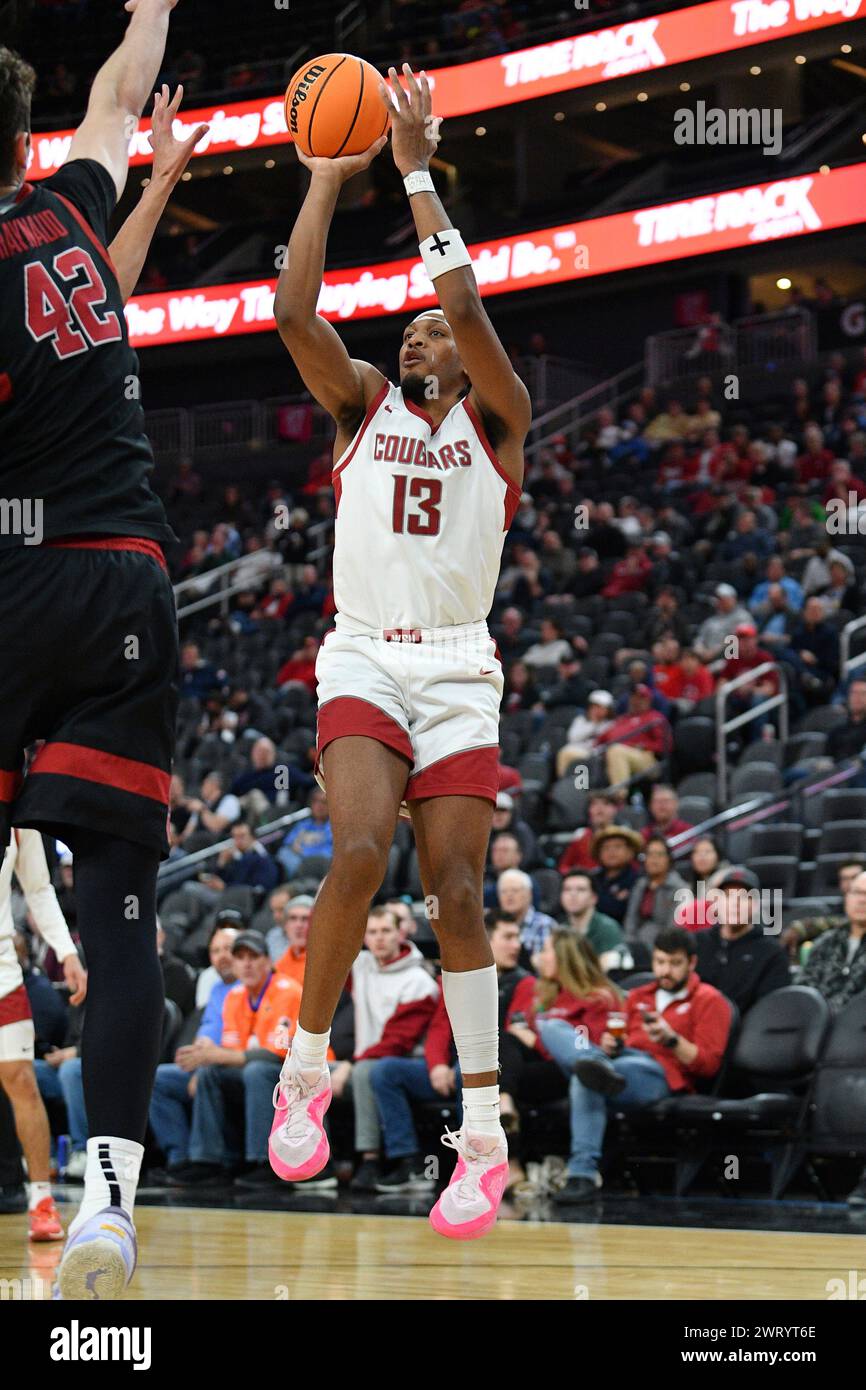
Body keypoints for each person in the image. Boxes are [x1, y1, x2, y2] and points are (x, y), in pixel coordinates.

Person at [270, 63, 532, 1242]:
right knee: (360, 853)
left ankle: (481, 1138)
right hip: (366, 656)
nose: (426, 333)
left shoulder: (501, 420)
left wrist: (418, 173)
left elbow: (471, 309)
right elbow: (292, 314)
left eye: (439, 327)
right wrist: (327, 180)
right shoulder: (360, 406)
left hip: (462, 666)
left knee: (461, 894)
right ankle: (304, 1066)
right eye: (413, 328)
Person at [0, 9, 214, 1298]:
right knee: (121, 909)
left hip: (17, 575)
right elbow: (118, 93)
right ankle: (107, 1216)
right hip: (130, 574)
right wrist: (149, 9)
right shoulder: (70, 208)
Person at [550, 927, 731, 1203]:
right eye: (660, 962)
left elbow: (708, 1066)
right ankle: (594, 1062)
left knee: (585, 1076)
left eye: (674, 963)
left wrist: (672, 1040)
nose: (665, 971)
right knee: (552, 1027)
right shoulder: (637, 996)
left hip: (659, 1074)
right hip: (620, 1064)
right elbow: (620, 1036)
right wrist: (611, 1045)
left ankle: (581, 1175)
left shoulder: (709, 1000)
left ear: (692, 963)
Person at [371, 913, 533, 1193]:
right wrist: (436, 1066)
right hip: (448, 1068)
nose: (515, 945)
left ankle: (473, 1163)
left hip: (489, 1072)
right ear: (486, 942)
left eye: (517, 937)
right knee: (385, 1071)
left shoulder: (523, 983)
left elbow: (512, 1038)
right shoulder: (459, 980)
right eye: (507, 937)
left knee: (466, 1076)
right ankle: (409, 1162)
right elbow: (439, 1028)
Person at [0, 830, 86, 1239]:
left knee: (21, 1079)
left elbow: (37, 886)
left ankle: (41, 1201)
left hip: (2, 971)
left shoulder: (18, 805)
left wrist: (66, 950)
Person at [172, 931, 306, 1190]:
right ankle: (208, 1161)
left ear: (268, 961)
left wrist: (216, 1055)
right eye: (240, 957)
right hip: (253, 1068)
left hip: (296, 1069)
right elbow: (232, 1049)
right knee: (211, 1073)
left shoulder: (287, 992)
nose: (246, 964)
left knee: (256, 1071)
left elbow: (278, 1053)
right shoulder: (234, 996)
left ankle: (263, 1162)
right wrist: (206, 1057)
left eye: (253, 957)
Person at [330, 907, 439, 1191]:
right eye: (372, 932)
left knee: (368, 1071)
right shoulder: (362, 965)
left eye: (386, 931)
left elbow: (397, 1042)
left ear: (401, 933)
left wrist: (350, 1065)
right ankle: (319, 1162)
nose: (379, 939)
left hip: (401, 1064)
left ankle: (370, 1160)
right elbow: (334, 941)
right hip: (362, 1062)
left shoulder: (419, 981)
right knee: (309, 1074)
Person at [148, 922, 238, 1177]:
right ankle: (179, 1156)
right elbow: (205, 1033)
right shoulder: (217, 990)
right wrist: (195, 1056)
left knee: (208, 1077)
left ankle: (207, 1161)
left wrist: (206, 1063)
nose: (222, 956)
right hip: (209, 1062)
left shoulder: (249, 988)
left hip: (229, 1063)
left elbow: (242, 1041)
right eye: (216, 951)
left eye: (228, 949)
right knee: (157, 1079)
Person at [693, 866, 790, 1014]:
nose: (735, 903)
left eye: (744, 897)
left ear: (756, 905)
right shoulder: (698, 942)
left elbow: (770, 1012)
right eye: (727, 896)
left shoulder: (772, 954)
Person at [800, 869, 866, 1014]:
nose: (862, 900)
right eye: (856, 893)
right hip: (817, 1026)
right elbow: (803, 992)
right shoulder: (825, 942)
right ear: (847, 897)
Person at [623, 836, 689, 961]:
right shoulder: (640, 885)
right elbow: (630, 919)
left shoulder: (681, 889)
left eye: (659, 855)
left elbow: (674, 928)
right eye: (650, 854)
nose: (654, 860)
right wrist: (630, 945)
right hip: (635, 947)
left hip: (665, 951)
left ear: (669, 860)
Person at [594, 685, 672, 788]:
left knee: (616, 750)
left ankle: (619, 796)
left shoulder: (654, 717)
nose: (636, 701)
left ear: (648, 700)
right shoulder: (622, 719)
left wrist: (641, 745)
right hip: (615, 754)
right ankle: (580, 795)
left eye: (641, 697)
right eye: (634, 697)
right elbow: (602, 739)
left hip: (647, 759)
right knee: (576, 754)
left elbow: (666, 745)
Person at [557, 873, 627, 972]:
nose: (573, 895)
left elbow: (610, 967)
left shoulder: (607, 928)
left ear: (594, 898)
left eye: (581, 890)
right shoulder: (560, 929)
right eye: (567, 889)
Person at [275, 787, 333, 878]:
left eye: (324, 802)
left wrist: (304, 851)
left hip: (317, 867)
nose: (319, 806)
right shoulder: (303, 824)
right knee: (283, 853)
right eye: (315, 801)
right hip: (295, 863)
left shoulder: (333, 827)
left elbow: (329, 852)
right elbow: (288, 843)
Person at [591, 826, 643, 924]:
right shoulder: (592, 878)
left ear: (630, 851)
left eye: (618, 846)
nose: (611, 851)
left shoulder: (638, 880)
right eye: (606, 847)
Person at [557, 793, 619, 873]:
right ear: (588, 810)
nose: (600, 808)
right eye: (594, 804)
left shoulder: (623, 836)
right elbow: (564, 867)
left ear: (615, 809)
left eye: (606, 803)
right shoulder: (581, 836)